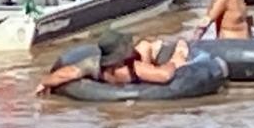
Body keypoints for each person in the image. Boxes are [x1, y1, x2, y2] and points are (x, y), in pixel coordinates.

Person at [35, 30, 190, 95]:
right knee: (147, 47)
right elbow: (165, 76)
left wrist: (45, 82)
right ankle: (155, 48)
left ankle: (150, 48)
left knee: (144, 47)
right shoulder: (134, 69)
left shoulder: (95, 66)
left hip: (112, 77)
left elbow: (67, 73)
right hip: (139, 78)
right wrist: (176, 58)